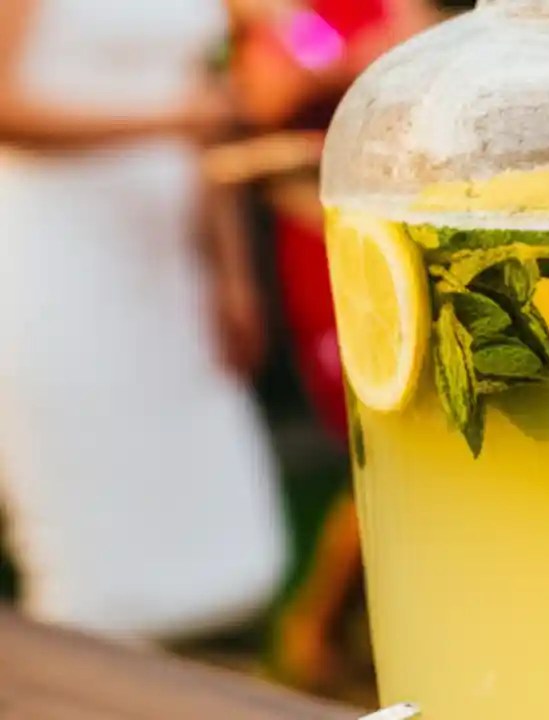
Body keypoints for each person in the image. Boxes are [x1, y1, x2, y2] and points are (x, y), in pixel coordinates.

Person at [0, 0, 286, 641]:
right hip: (55, 252)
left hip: (166, 261)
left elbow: (204, 107)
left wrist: (230, 271)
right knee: (88, 523)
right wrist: (172, 120)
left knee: (209, 539)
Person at [222, 0, 439, 691]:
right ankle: (311, 632)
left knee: (407, 431)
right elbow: (267, 97)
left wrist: (352, 53)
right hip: (318, 234)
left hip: (390, 224)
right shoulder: (274, 12)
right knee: (366, 437)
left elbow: (430, 60)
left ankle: (340, 631)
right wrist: (345, 57)